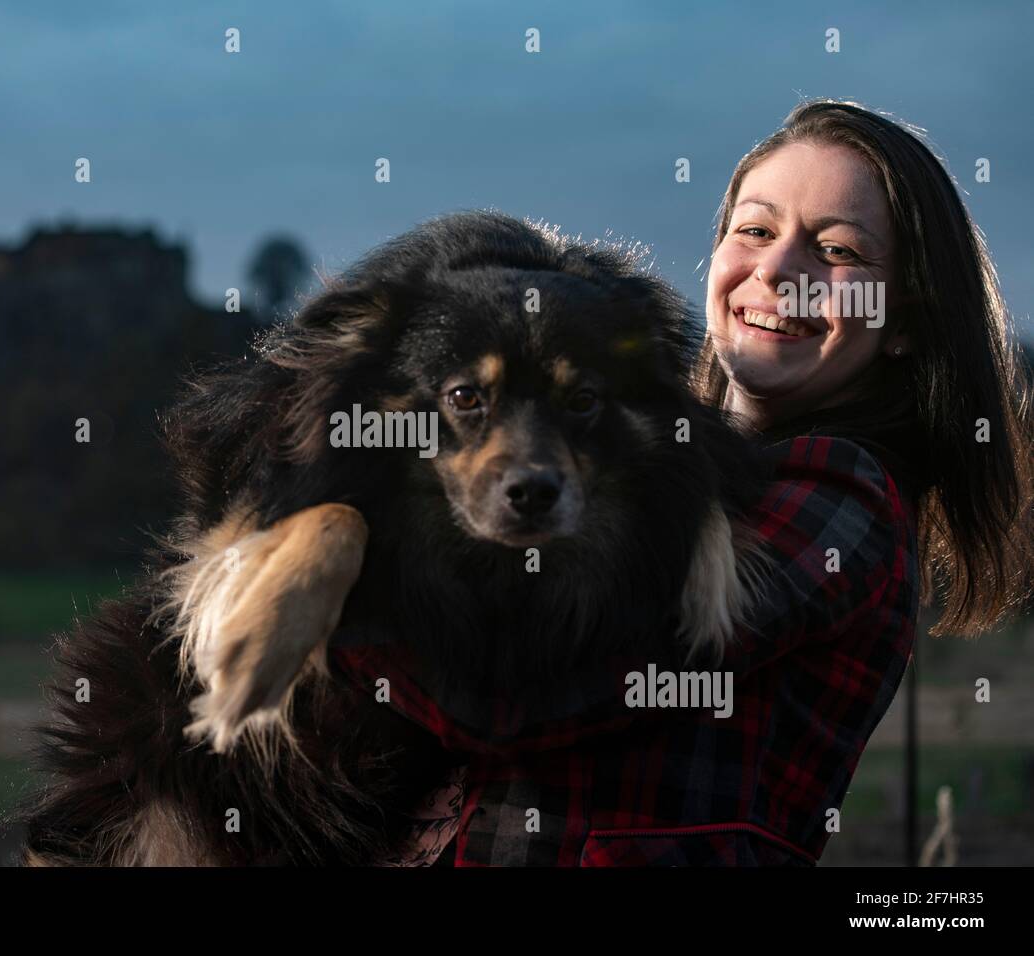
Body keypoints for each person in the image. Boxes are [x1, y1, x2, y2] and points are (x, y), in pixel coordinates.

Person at [345, 99, 1034, 866]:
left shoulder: (842, 498)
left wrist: (318, 614)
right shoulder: (639, 472)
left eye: (837, 253)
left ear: (904, 322)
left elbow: (530, 694)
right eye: (756, 231)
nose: (777, 272)